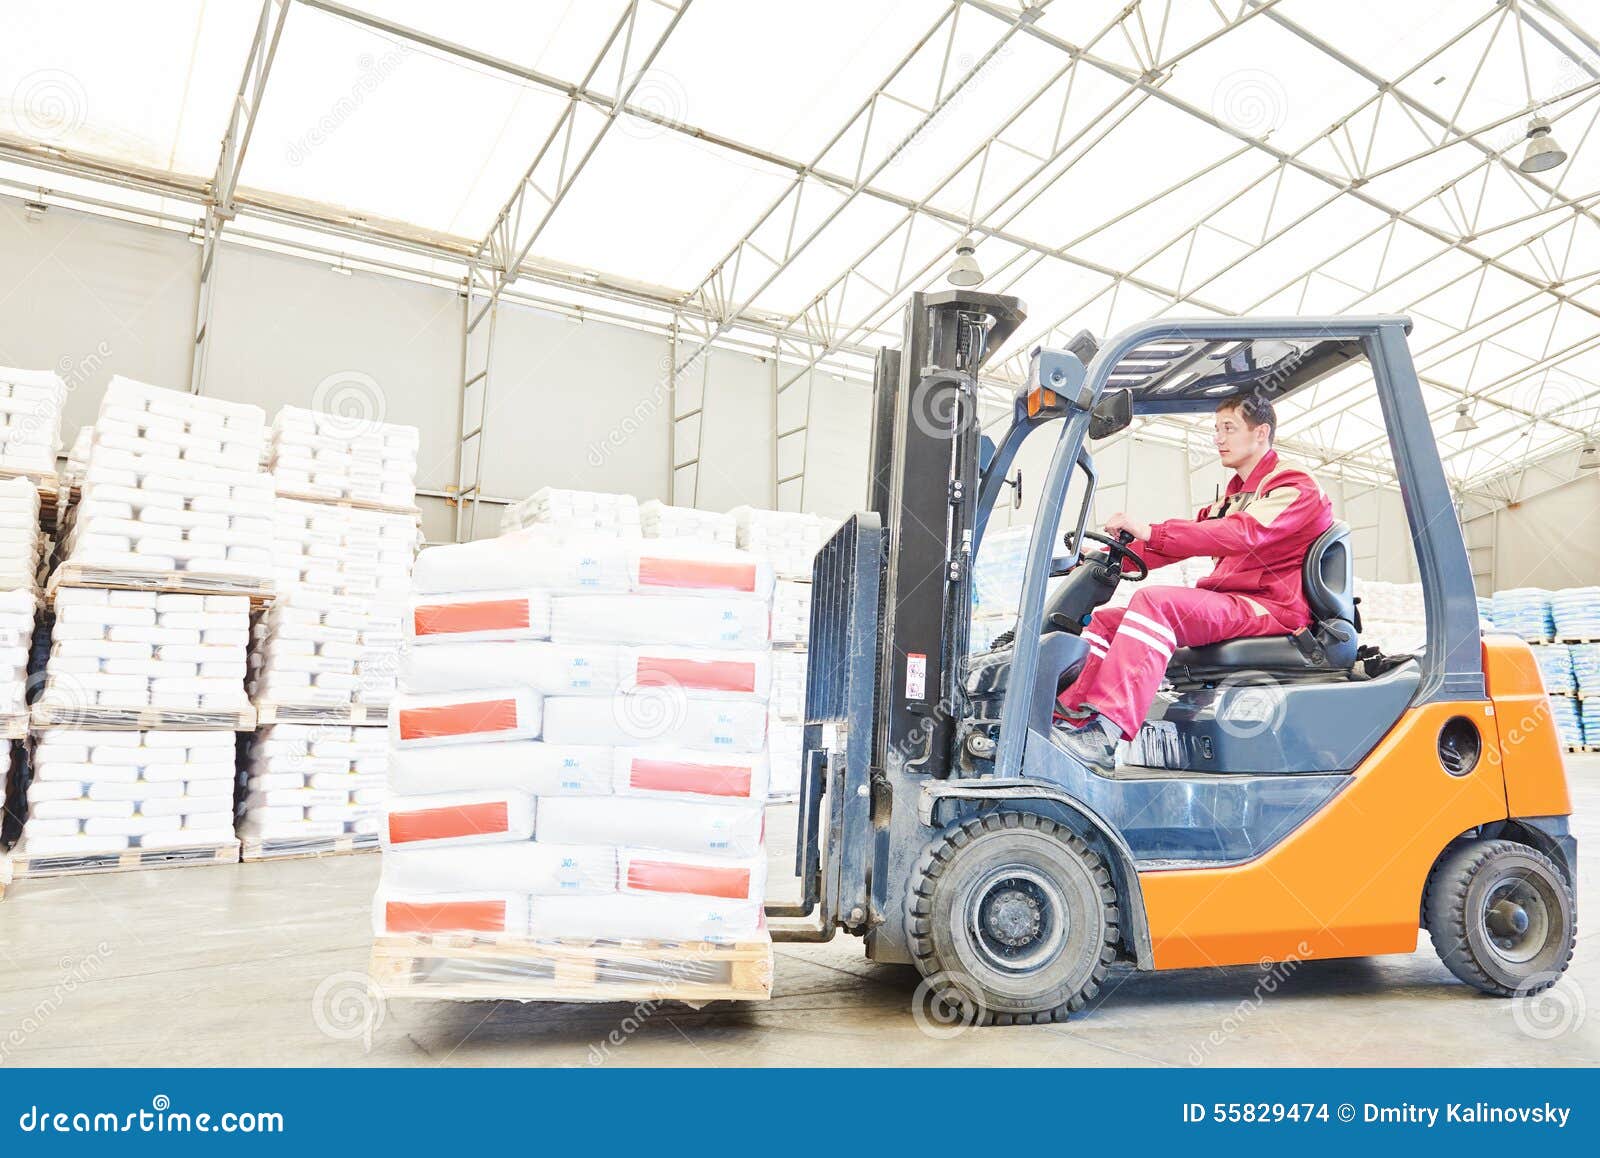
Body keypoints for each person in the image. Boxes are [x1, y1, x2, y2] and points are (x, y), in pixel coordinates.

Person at [1054, 391, 1334, 771]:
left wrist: (1152, 530)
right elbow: (1176, 544)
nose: (1218, 438)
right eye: (1216, 429)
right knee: (1102, 622)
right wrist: (1100, 559)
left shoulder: (1294, 485)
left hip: (1269, 606)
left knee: (1156, 603)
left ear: (1261, 432)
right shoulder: (1233, 498)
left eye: (1229, 428)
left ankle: (1106, 731)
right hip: (1231, 601)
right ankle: (1070, 721)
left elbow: (1240, 534)